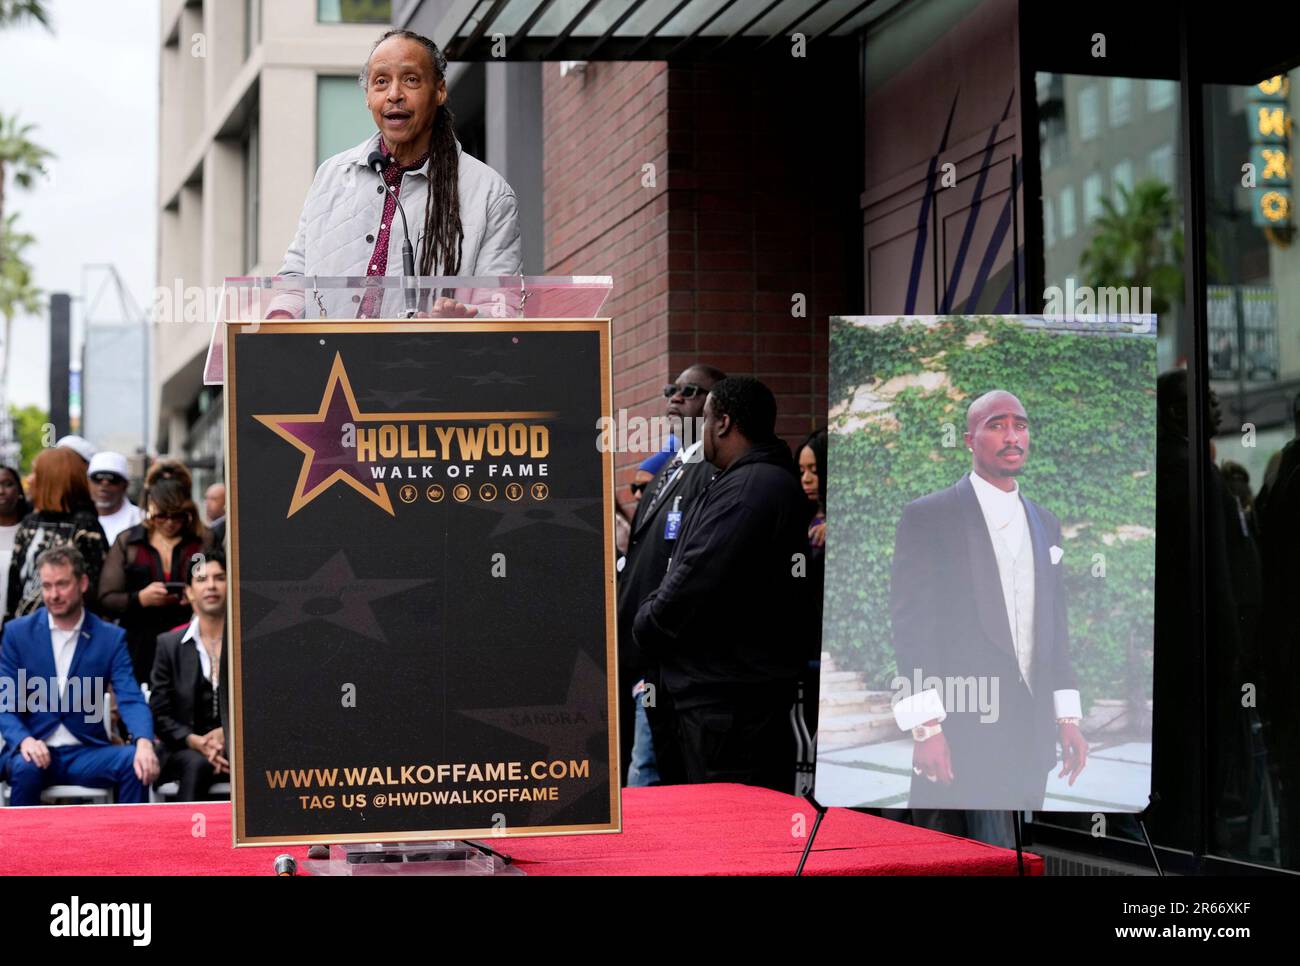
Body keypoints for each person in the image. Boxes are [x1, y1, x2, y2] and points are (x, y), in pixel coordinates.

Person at [889, 390, 1086, 820]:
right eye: (996, 425)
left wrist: (1067, 718)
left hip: (1030, 738)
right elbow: (912, 627)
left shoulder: (1045, 521)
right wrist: (927, 729)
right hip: (962, 733)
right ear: (969, 439)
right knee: (954, 859)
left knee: (1019, 855)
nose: (1012, 436)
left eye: (1020, 425)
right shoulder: (930, 516)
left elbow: (1054, 626)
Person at [633, 376, 814, 793]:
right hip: (719, 701)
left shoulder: (751, 488)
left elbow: (695, 578)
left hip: (729, 710)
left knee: (731, 833)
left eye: (708, 414)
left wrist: (647, 620)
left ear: (723, 422)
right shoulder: (735, 480)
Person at [269, 28, 520, 321]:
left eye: (411, 80)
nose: (394, 95)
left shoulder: (490, 194)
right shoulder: (331, 176)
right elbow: (296, 275)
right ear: (367, 96)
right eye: (381, 82)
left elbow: (503, 308)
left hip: (429, 362)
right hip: (330, 363)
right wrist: (279, 320)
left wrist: (462, 322)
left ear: (439, 91)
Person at [617, 368, 724, 786]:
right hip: (643, 653)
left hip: (671, 654)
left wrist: (653, 623)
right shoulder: (670, 465)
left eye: (690, 391)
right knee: (643, 765)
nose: (675, 398)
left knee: (651, 773)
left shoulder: (712, 469)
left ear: (718, 407)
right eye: (671, 390)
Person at [0, 545, 158, 806]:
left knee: (135, 761)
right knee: (26, 767)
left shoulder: (110, 637)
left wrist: (143, 742)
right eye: (47, 585)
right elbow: (5, 704)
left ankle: (129, 844)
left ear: (83, 583)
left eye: (62, 584)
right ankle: (21, 848)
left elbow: (130, 697)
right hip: (32, 750)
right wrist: (24, 740)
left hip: (88, 752)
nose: (53, 594)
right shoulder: (18, 634)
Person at [99, 475, 207, 683]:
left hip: (189, 636)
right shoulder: (129, 541)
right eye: (161, 516)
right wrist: (140, 598)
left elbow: (221, 586)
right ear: (149, 510)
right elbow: (106, 597)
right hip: (140, 640)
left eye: (178, 516)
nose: (169, 523)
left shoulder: (201, 540)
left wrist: (194, 595)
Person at [150, 549, 230, 801]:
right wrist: (195, 741)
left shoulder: (249, 642)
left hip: (240, 747)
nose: (211, 586)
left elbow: (265, 703)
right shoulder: (169, 644)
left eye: (219, 577)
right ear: (189, 591)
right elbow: (160, 713)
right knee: (196, 764)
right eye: (202, 579)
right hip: (183, 749)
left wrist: (227, 734)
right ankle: (187, 840)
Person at [6, 448, 108, 621]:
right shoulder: (30, 521)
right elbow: (15, 582)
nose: (29, 480)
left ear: (53, 479)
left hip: (70, 630)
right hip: (25, 629)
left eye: (36, 473)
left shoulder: (85, 525)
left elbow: (94, 590)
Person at [87, 451, 144, 547]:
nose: (104, 484)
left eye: (113, 479)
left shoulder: (141, 520)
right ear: (88, 482)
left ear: (125, 485)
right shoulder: (74, 519)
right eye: (97, 478)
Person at [0, 465, 32, 625]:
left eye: (7, 484)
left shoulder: (33, 532)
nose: (1, 491)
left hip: (22, 623)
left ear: (19, 490)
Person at [204, 482, 226, 550]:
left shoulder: (225, 528)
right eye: (206, 498)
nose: (207, 503)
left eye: (213, 499)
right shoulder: (209, 526)